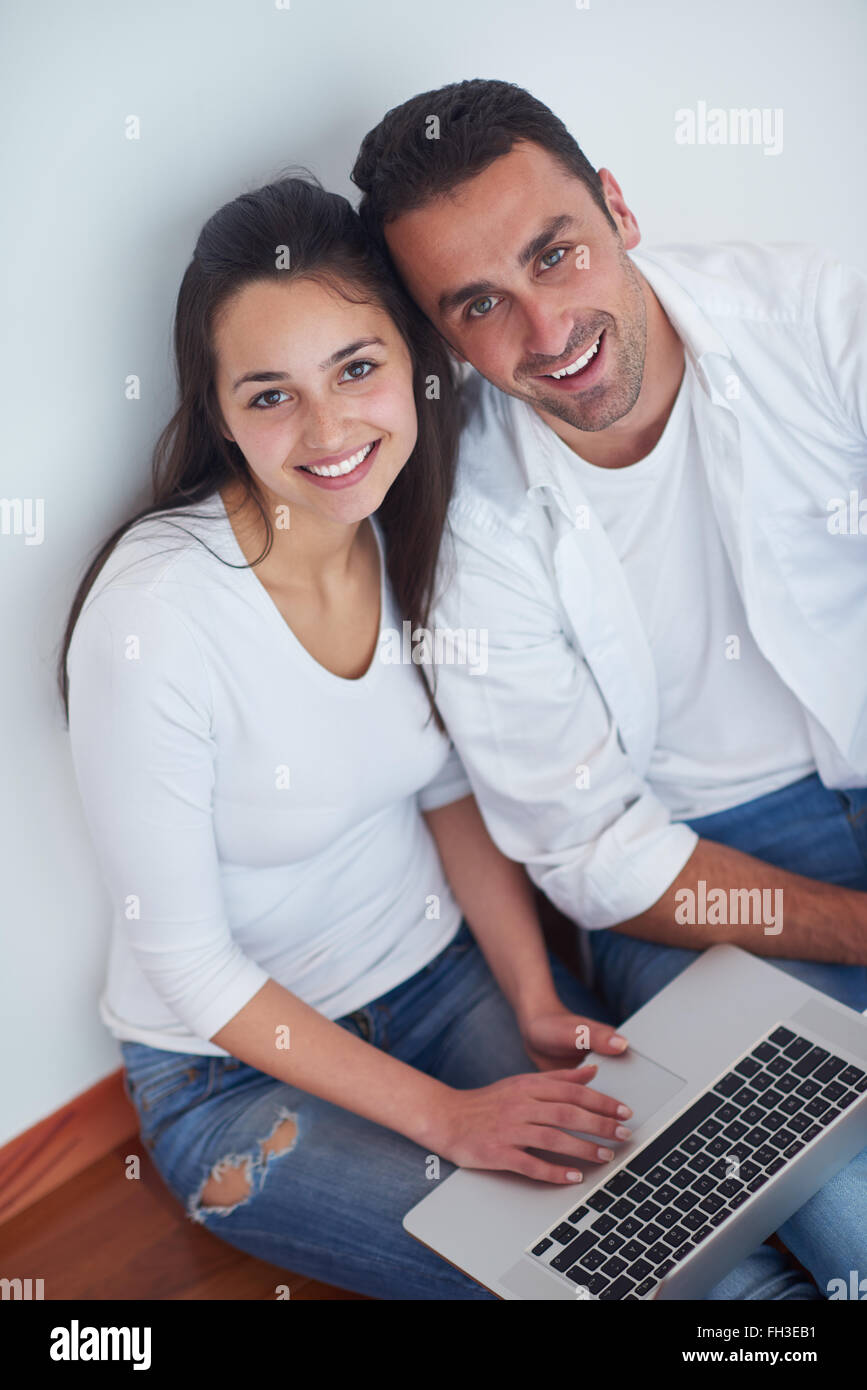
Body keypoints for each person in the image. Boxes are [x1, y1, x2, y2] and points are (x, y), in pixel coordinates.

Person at [58, 173, 643, 1302]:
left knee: (661, 1201)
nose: (329, 433)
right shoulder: (157, 616)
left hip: (438, 980)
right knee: (560, 1279)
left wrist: (529, 993)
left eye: (357, 369)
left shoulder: (407, 523)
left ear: (409, 360)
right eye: (271, 395)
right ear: (218, 408)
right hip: (226, 1077)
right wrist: (449, 1119)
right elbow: (185, 963)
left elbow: (442, 790)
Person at [351, 79, 867, 1296]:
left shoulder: (815, 312)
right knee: (848, 1218)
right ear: (444, 337)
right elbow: (597, 857)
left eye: (556, 253)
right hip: (710, 880)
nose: (546, 332)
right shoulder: (465, 522)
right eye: (481, 304)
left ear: (618, 209)